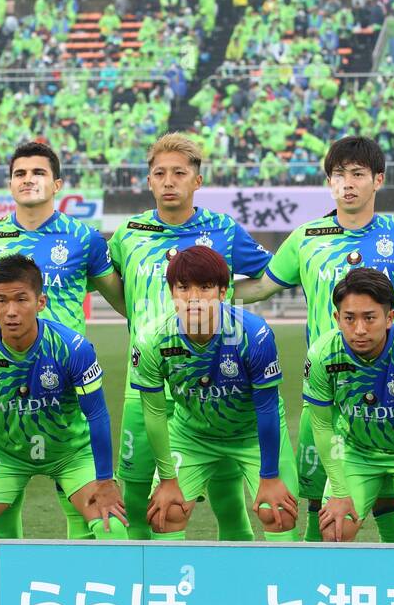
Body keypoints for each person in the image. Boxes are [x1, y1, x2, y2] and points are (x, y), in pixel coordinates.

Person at [232, 135, 394, 543]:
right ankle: (318, 590)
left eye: (357, 174)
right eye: (337, 175)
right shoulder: (305, 238)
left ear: (378, 180)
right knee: (323, 508)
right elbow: (260, 288)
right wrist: (200, 293)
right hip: (330, 391)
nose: (346, 183)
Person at [107, 133, 272, 541]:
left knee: (228, 497)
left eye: (179, 173)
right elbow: (109, 281)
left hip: (215, 385)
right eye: (159, 173)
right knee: (136, 497)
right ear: (148, 181)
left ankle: (242, 581)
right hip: (145, 383)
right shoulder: (128, 233)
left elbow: (267, 279)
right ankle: (145, 579)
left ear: (197, 181)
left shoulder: (223, 230)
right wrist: (134, 311)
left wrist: (226, 298)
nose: (168, 181)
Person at [0, 140, 126, 538]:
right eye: (20, 173)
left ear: (57, 183)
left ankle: (80, 587)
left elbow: (121, 300)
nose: (28, 179)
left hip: (65, 381)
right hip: (3, 382)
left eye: (38, 173)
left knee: (82, 514)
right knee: (2, 511)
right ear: (10, 183)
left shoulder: (83, 238)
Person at [0, 255, 126, 541]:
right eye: (1, 301)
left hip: (71, 454)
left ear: (40, 302)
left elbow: (97, 414)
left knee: (111, 527)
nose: (11, 311)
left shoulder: (73, 348)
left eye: (21, 299)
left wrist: (105, 479)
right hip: (6, 456)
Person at [133, 247, 300, 541]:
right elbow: (156, 413)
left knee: (278, 514)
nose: (194, 298)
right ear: (172, 292)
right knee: (165, 514)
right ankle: (174, 586)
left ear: (224, 292)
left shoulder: (253, 334)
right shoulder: (152, 339)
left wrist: (270, 476)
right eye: (183, 288)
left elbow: (267, 409)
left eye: (205, 287)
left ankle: (278, 586)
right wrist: (168, 479)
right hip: (192, 434)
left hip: (252, 435)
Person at [305, 268, 394, 543]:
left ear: (389, 317)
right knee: (334, 530)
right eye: (349, 318)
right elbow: (322, 425)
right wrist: (339, 490)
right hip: (355, 451)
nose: (359, 329)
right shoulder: (322, 355)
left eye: (369, 318)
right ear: (337, 318)